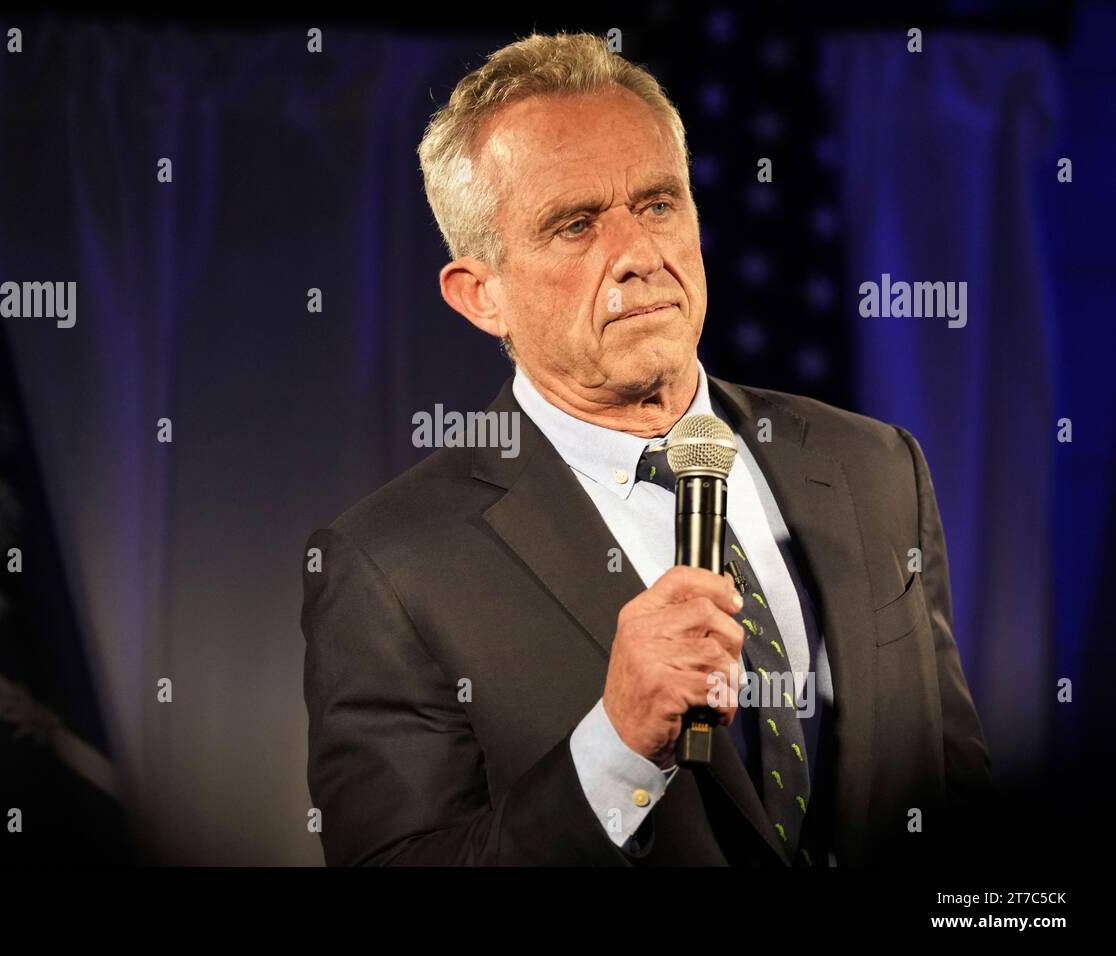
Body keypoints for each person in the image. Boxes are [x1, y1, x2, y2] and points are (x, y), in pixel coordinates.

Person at [301, 31, 991, 866]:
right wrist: (617, 748)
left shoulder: (875, 468)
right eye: (576, 224)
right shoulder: (389, 569)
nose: (639, 255)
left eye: (659, 204)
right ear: (481, 296)